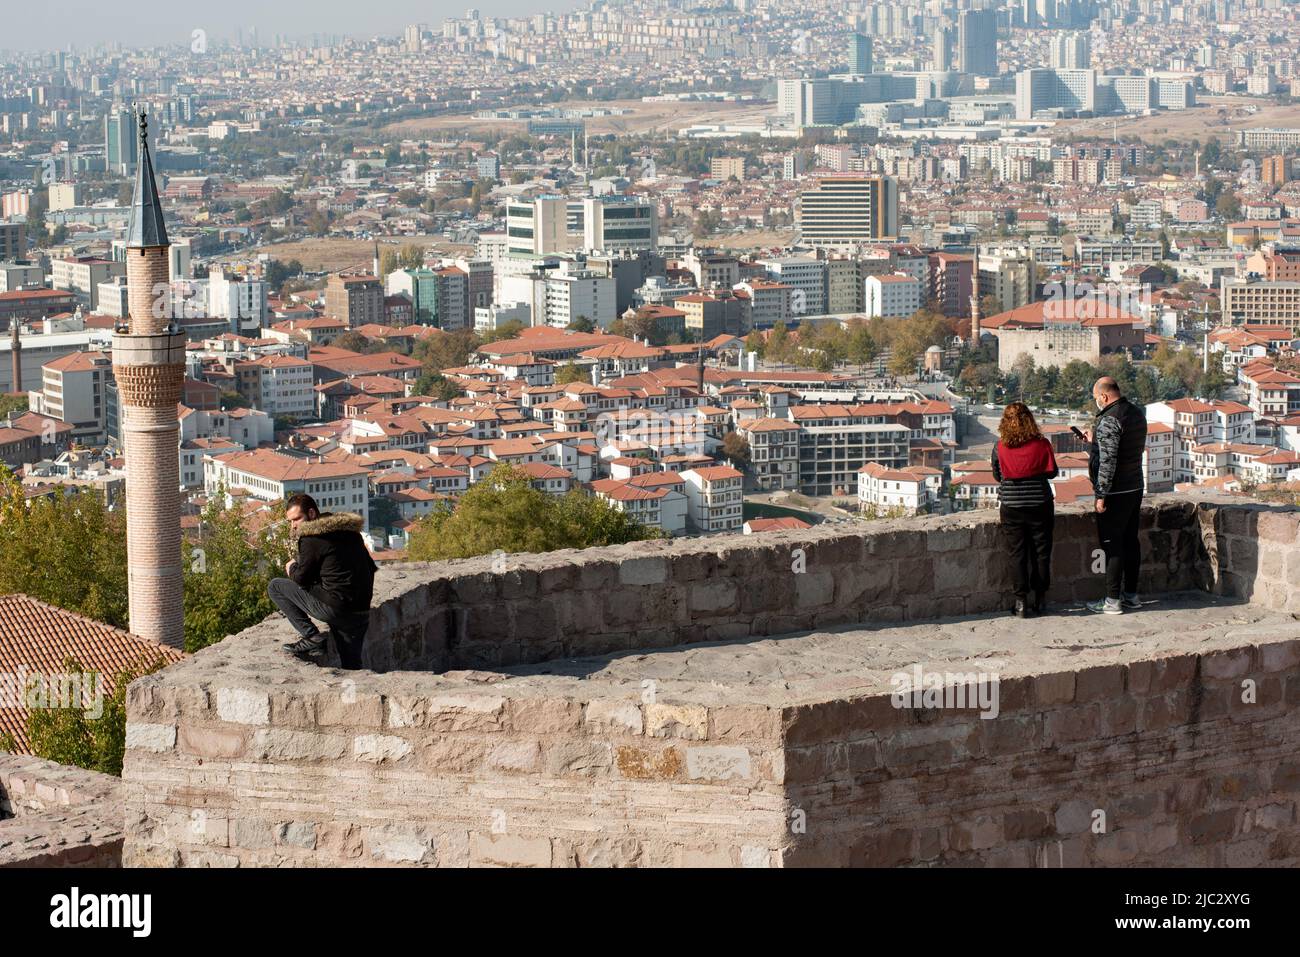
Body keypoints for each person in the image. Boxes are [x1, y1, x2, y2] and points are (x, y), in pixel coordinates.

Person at [268, 493, 377, 668]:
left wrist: (292, 568)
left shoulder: (312, 538)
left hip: (336, 608)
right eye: (290, 521)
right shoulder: (349, 531)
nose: (293, 526)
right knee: (352, 665)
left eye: (297, 519)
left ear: (311, 514)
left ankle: (312, 636)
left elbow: (302, 579)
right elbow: (370, 567)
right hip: (361, 609)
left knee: (276, 586)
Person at [1083, 376, 1148, 614]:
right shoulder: (1137, 413)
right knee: (1131, 541)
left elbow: (1109, 461)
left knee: (1112, 545)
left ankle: (1112, 601)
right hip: (1135, 486)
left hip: (1116, 491)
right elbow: (1125, 448)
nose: (1096, 403)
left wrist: (1101, 494)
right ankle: (1131, 594)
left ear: (1104, 396)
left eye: (1096, 398)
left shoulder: (1110, 419)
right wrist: (1095, 442)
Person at [992, 402, 1058, 618]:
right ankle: (1040, 600)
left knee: (1017, 554)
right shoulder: (1042, 444)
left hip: (1012, 506)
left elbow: (998, 475)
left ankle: (1020, 602)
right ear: (1030, 420)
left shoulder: (999, 447)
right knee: (1041, 553)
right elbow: (1052, 473)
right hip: (1040, 503)